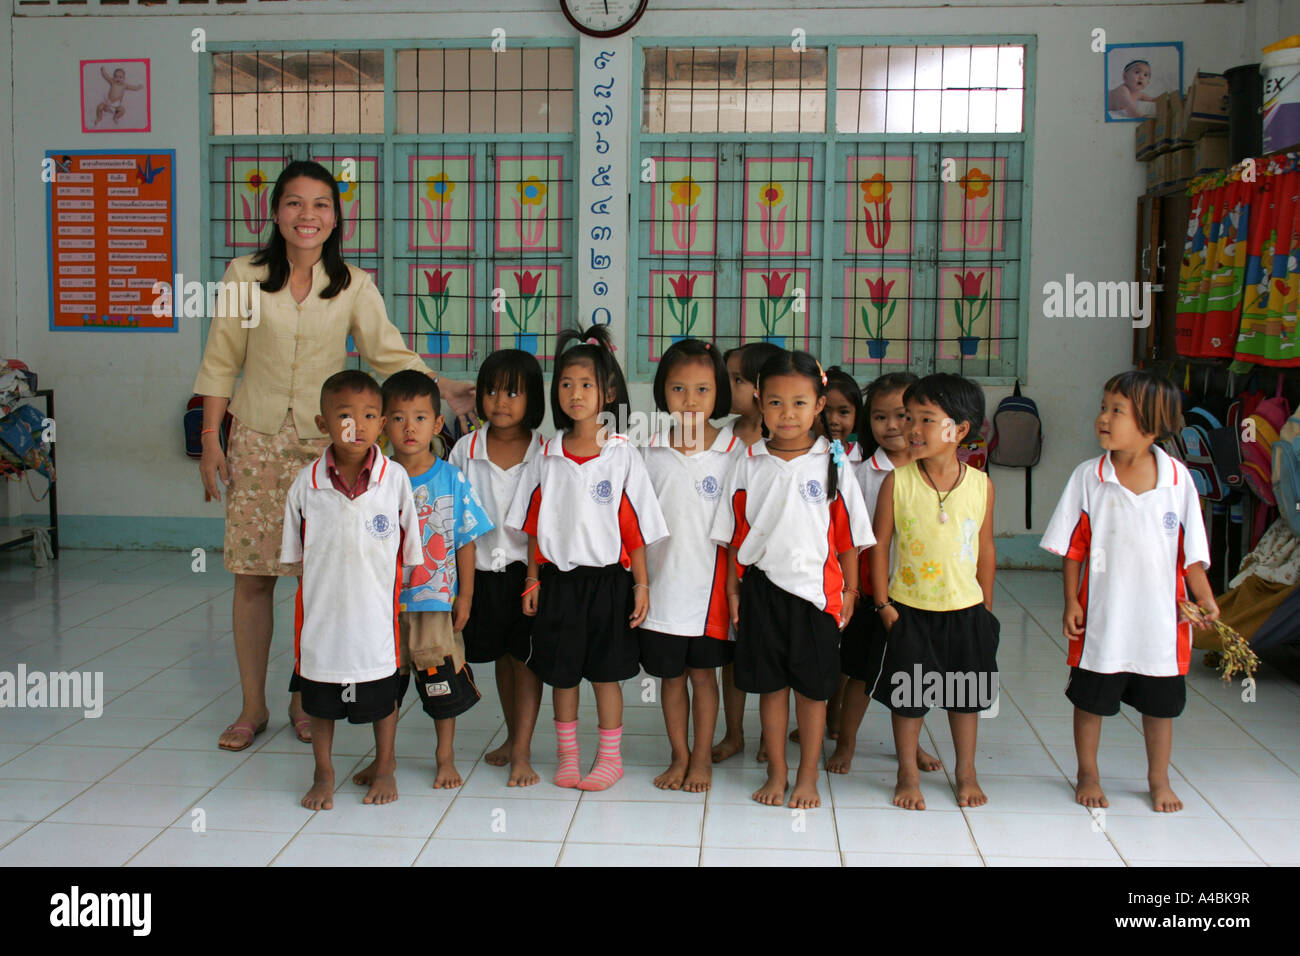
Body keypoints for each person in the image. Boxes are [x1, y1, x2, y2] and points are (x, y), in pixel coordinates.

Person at [194, 160, 473, 752]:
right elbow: (221, 361)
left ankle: (305, 699)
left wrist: (442, 387)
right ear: (276, 213)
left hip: (327, 449)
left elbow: (387, 351)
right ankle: (252, 707)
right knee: (253, 577)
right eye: (295, 203)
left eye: (321, 204)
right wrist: (211, 438)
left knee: (314, 582)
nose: (307, 215)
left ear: (335, 216)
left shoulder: (351, 283)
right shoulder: (243, 277)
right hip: (258, 440)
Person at [1040, 370, 1218, 813]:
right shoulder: (1089, 477)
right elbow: (1073, 549)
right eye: (1103, 407)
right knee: (1091, 701)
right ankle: (1088, 772)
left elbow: (1191, 553)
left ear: (1152, 422)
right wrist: (1071, 600)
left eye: (1116, 410)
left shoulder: (1178, 479)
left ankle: (1158, 779)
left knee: (1161, 708)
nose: (1103, 417)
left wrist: (1205, 598)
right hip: (1104, 619)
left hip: (1161, 624)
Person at [505, 325, 669, 791]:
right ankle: (568, 757)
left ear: (608, 391)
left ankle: (610, 760)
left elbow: (634, 530)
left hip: (609, 585)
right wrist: (533, 579)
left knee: (606, 676)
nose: (575, 394)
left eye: (586, 385)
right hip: (557, 584)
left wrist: (641, 585)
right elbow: (534, 525)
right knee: (563, 676)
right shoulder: (547, 455)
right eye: (565, 384)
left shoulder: (621, 456)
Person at [711, 350, 874, 809]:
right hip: (761, 591)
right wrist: (732, 590)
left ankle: (807, 777)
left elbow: (849, 539)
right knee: (770, 685)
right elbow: (732, 535)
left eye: (800, 403)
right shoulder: (748, 463)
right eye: (777, 402)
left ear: (819, 405)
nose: (788, 413)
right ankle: (777, 771)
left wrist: (852, 591)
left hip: (816, 596)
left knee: (812, 690)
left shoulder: (833, 464)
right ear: (760, 402)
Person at [280, 371, 423, 809]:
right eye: (344, 415)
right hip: (322, 621)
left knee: (383, 699)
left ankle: (384, 766)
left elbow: (412, 550)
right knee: (319, 703)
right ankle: (324, 774)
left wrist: (408, 597)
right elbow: (295, 555)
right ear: (323, 423)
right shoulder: (307, 484)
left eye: (368, 415)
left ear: (381, 423)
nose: (356, 426)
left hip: (374, 620)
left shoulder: (394, 478)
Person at [870, 373, 999, 811]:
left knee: (965, 698)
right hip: (910, 610)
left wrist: (986, 606)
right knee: (909, 697)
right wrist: (883, 603)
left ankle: (966, 772)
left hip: (966, 611)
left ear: (959, 430)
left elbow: (985, 548)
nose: (912, 430)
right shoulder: (899, 482)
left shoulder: (981, 485)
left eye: (927, 419)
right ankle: (907, 772)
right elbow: (879, 543)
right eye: (911, 419)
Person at [379, 370, 492, 790]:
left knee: (440, 686)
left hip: (436, 606)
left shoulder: (451, 478)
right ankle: (384, 762)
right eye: (398, 418)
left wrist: (465, 596)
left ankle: (444, 758)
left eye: (421, 417)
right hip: (387, 607)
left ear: (438, 424)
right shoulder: (379, 479)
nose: (410, 428)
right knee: (385, 688)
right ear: (382, 425)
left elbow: (466, 541)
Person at [828, 372, 941, 774]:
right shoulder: (859, 472)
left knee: (913, 677)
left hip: (919, 596)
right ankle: (846, 742)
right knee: (860, 672)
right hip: (869, 593)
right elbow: (848, 538)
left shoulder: (932, 473)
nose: (892, 426)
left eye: (903, 416)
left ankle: (911, 750)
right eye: (880, 417)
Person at [640, 339, 739, 793]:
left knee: (704, 677)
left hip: (712, 592)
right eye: (678, 389)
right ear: (663, 392)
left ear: (718, 392)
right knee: (670, 678)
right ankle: (678, 755)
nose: (691, 400)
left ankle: (702, 757)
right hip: (662, 588)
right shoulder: (649, 452)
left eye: (702, 389)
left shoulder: (735, 453)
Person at [448, 349, 548, 788]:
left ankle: (523, 751)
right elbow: (451, 519)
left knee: (526, 662)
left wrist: (535, 579)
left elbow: (549, 521)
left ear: (533, 399)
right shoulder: (465, 450)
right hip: (479, 575)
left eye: (513, 392)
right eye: (490, 390)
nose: (500, 401)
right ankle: (512, 738)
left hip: (530, 576)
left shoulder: (545, 452)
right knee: (503, 661)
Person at [712, 341, 784, 763]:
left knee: (772, 654)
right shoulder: (725, 438)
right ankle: (734, 732)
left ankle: (767, 737)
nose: (726, 386)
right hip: (730, 560)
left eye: (735, 379)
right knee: (734, 654)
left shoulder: (784, 440)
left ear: (760, 387)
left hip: (772, 565)